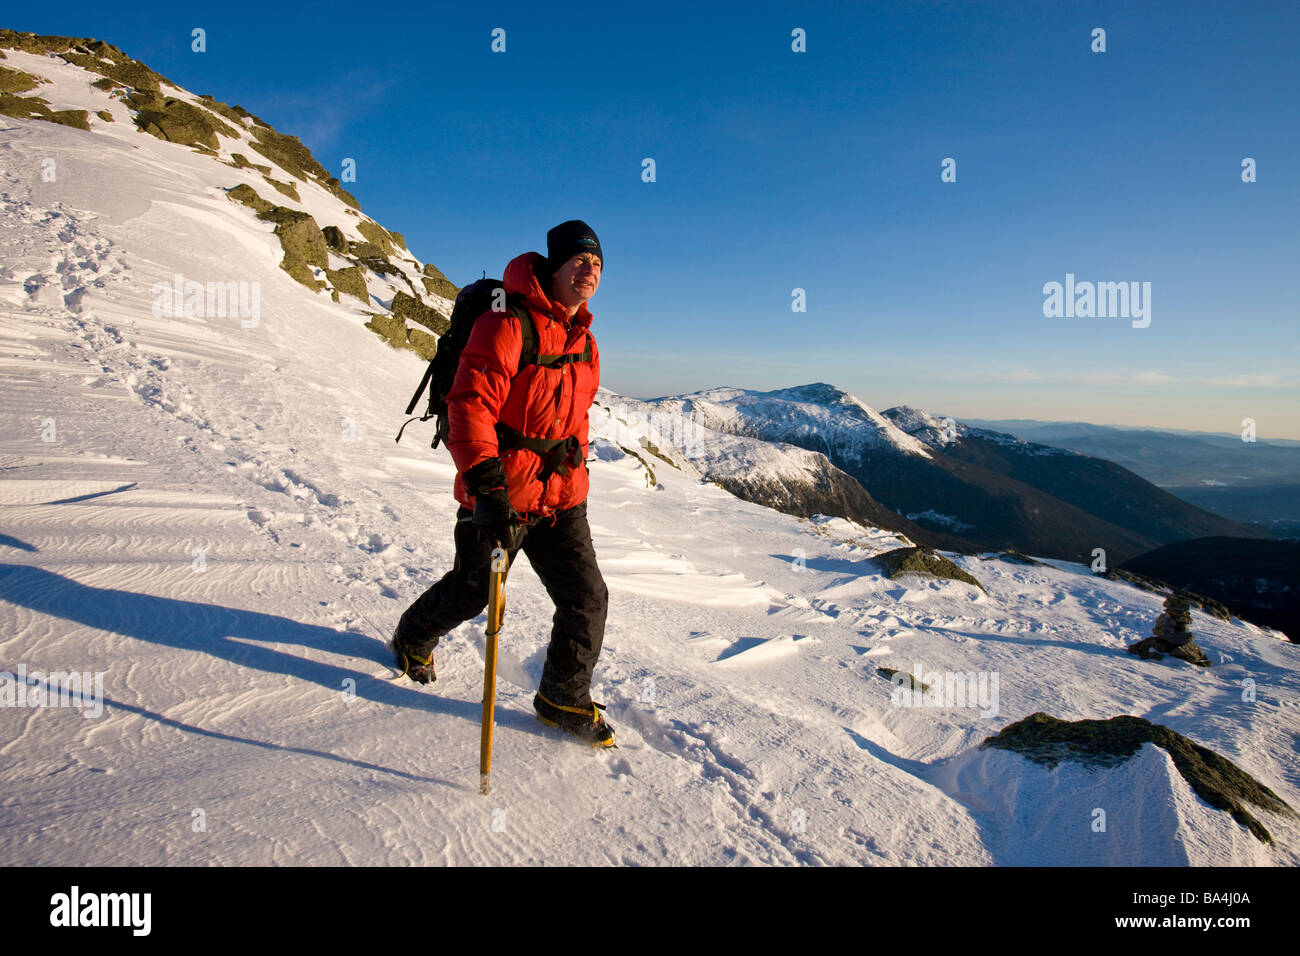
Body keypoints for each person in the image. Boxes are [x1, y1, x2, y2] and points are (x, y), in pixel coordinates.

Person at [391, 220, 614, 747]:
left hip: (559, 500)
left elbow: (577, 415)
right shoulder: (506, 323)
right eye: (579, 261)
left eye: (598, 264)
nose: (589, 271)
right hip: (500, 495)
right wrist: (488, 488)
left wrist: (573, 469)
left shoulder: (586, 340)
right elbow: (469, 406)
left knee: (587, 598)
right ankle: (412, 637)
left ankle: (563, 697)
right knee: (473, 591)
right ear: (554, 266)